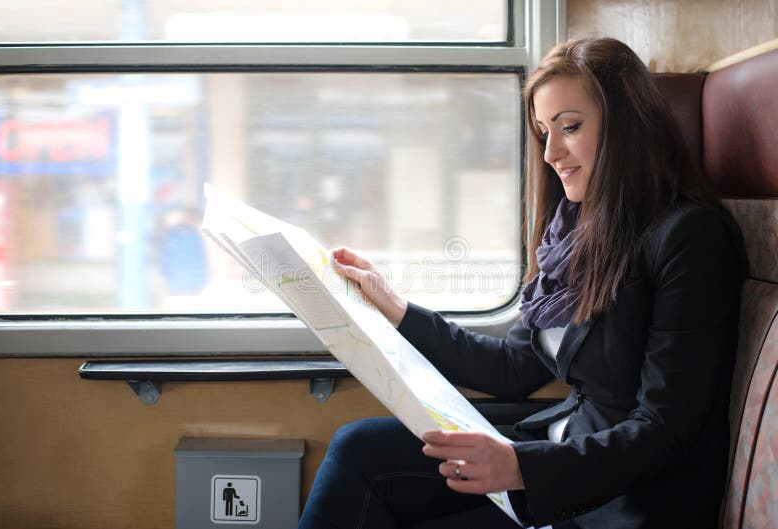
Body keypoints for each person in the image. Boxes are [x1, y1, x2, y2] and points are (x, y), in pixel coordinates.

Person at [298, 37, 746, 529]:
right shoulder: (577, 229)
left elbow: (663, 430)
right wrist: (394, 308)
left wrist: (520, 467)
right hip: (562, 454)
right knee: (359, 448)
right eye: (543, 131)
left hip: (622, 500)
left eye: (570, 127)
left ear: (627, 128)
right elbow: (515, 367)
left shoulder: (688, 237)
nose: (552, 152)